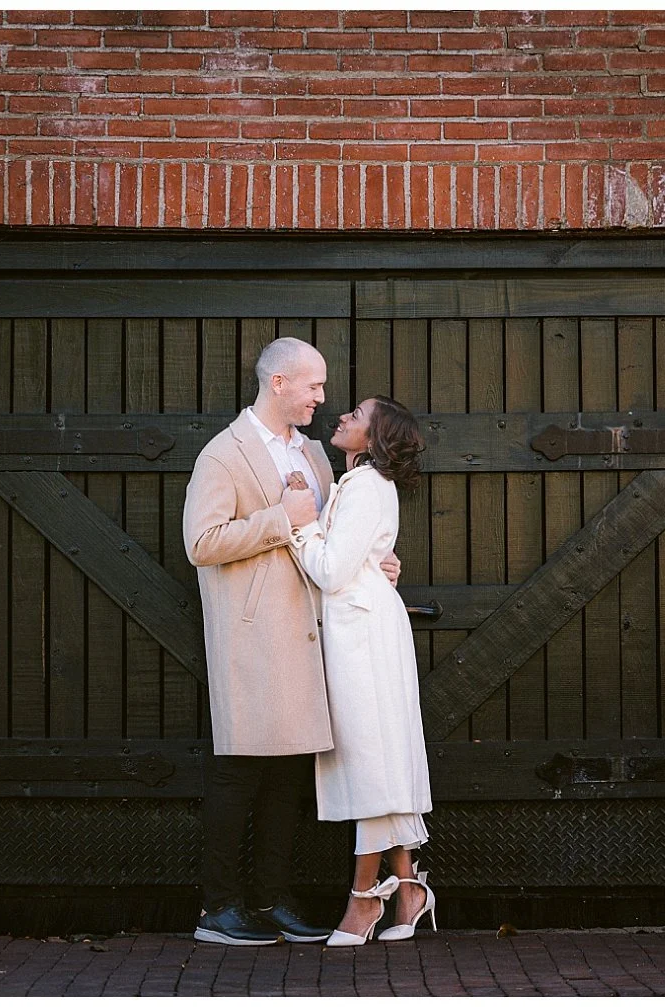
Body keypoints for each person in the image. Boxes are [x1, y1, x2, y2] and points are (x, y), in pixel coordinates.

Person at [182, 337, 399, 946]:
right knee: (239, 772)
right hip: (251, 639)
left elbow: (327, 538)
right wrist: (280, 518)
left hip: (311, 640)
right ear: (278, 383)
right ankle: (217, 909)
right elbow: (201, 543)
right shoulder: (222, 456)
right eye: (313, 386)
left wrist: (373, 563)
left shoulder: (313, 455)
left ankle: (270, 900)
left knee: (289, 778)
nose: (321, 399)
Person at [288, 395, 435, 946]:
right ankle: (408, 888)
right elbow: (352, 560)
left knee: (371, 761)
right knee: (379, 759)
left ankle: (362, 899)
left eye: (356, 416)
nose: (343, 417)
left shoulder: (367, 486)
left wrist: (301, 525)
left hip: (364, 637)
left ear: (373, 439)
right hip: (363, 629)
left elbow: (329, 571)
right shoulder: (360, 484)